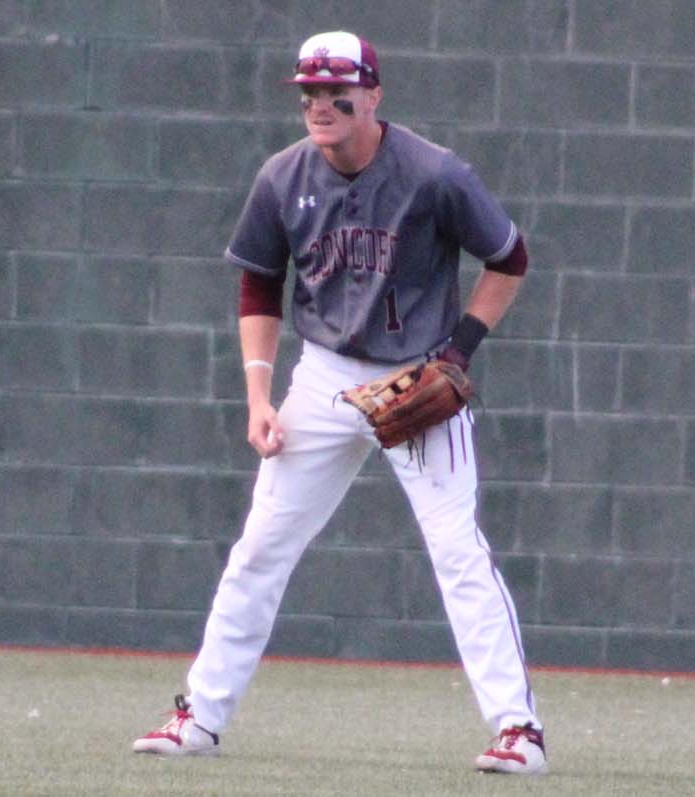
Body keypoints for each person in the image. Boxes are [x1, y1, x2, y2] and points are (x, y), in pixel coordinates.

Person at [132, 30, 544, 775]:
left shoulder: (434, 173)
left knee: (457, 550)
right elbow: (260, 284)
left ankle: (519, 729)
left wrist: (458, 351)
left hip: (418, 372)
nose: (321, 104)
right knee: (261, 545)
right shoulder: (282, 177)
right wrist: (259, 394)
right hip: (322, 376)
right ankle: (198, 714)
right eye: (310, 92)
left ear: (373, 96)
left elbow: (509, 258)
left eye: (338, 91)